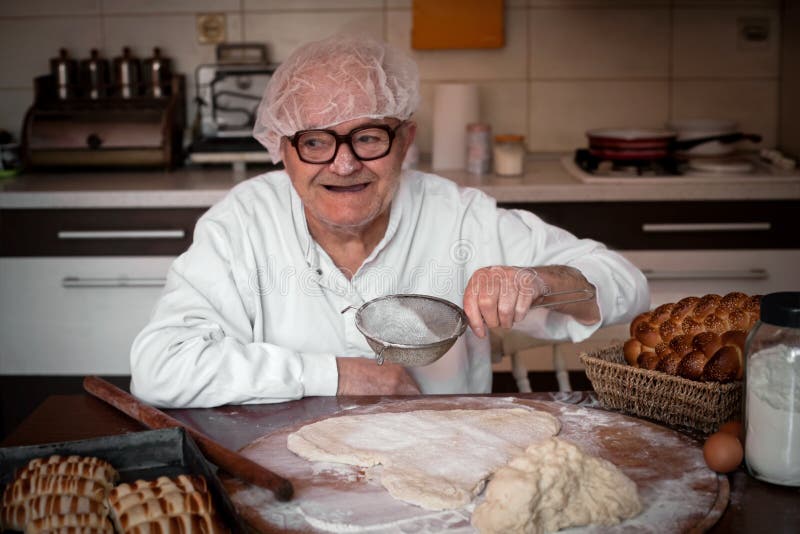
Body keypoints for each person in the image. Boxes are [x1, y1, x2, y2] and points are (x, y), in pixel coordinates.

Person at [130, 35, 649, 407]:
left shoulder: (459, 217)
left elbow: (628, 285)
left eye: (369, 136)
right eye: (315, 141)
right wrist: (334, 375)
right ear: (281, 149)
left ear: (405, 140)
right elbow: (160, 368)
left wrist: (539, 281)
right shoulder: (243, 223)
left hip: (449, 461)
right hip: (282, 465)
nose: (344, 163)